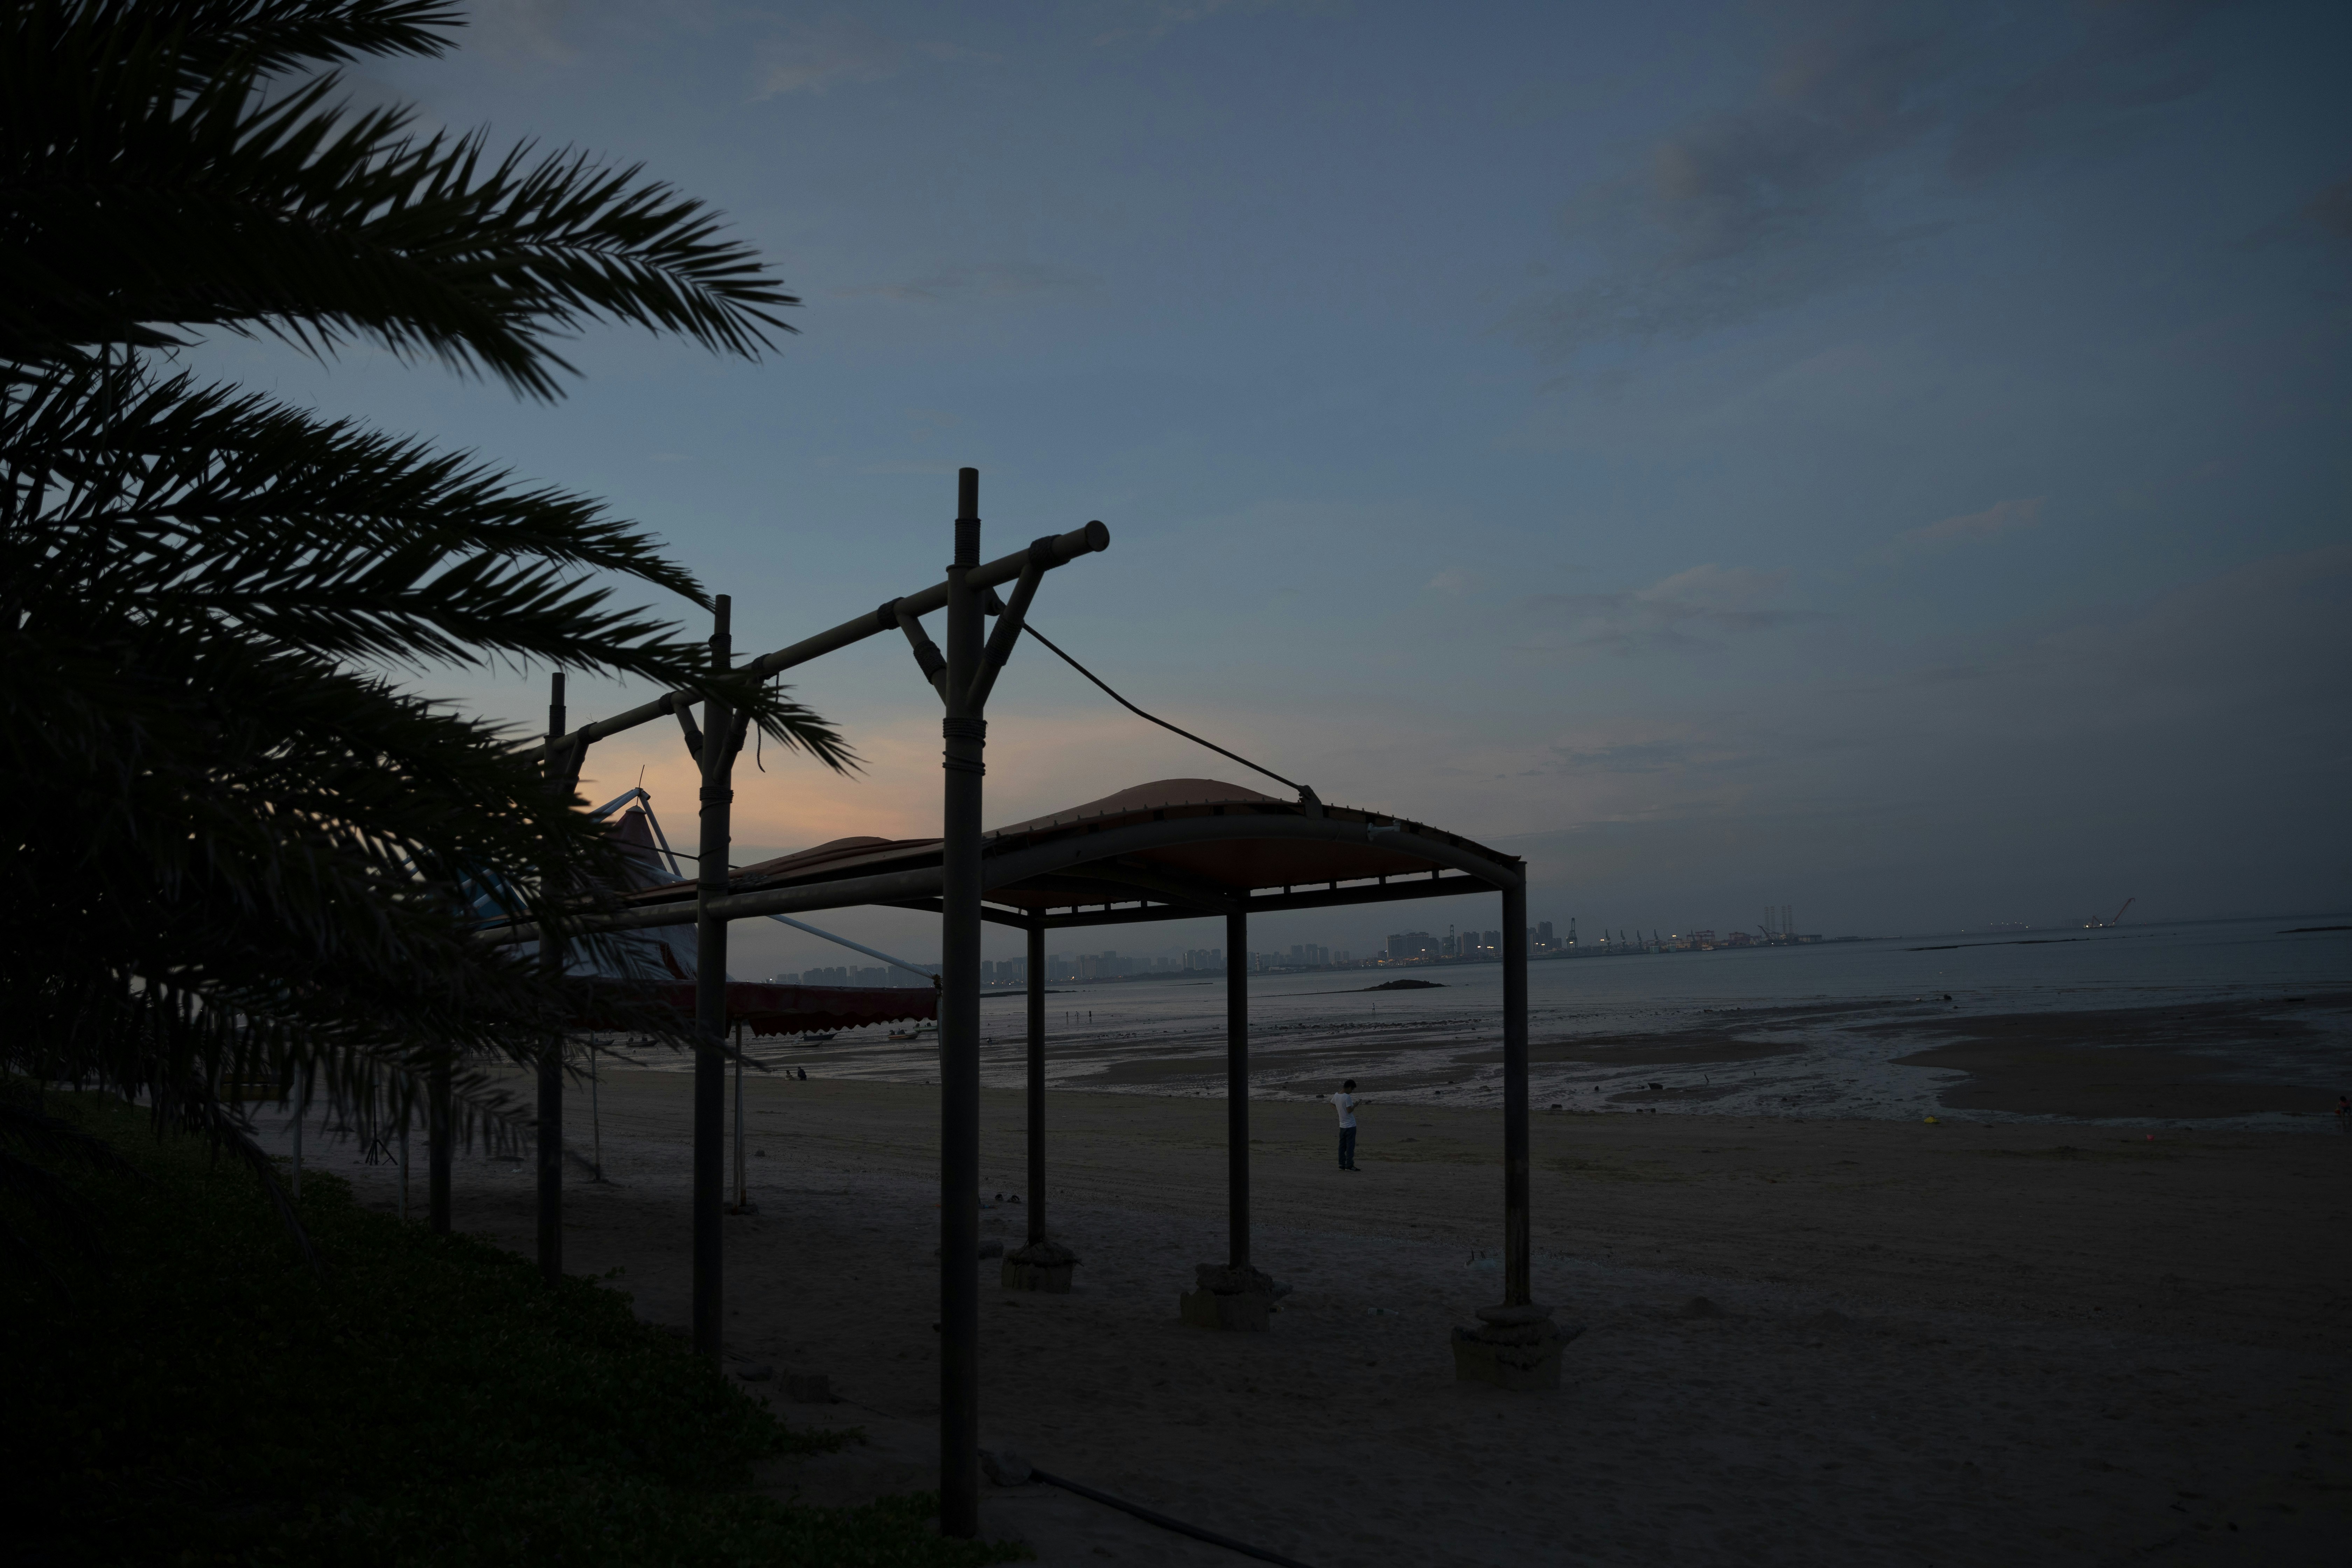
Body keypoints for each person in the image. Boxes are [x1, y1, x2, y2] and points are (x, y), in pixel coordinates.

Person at [1331, 1080, 1361, 1170]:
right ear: (1349, 1088)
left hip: (1342, 1125)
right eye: (1352, 1090)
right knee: (1350, 1146)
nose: (1352, 1092)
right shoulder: (1347, 1097)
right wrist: (1355, 1105)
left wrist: (1339, 1111)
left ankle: (1342, 1164)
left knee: (1342, 1146)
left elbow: (1331, 1104)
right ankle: (1349, 1165)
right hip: (1350, 1125)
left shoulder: (1337, 1095)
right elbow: (1349, 1110)